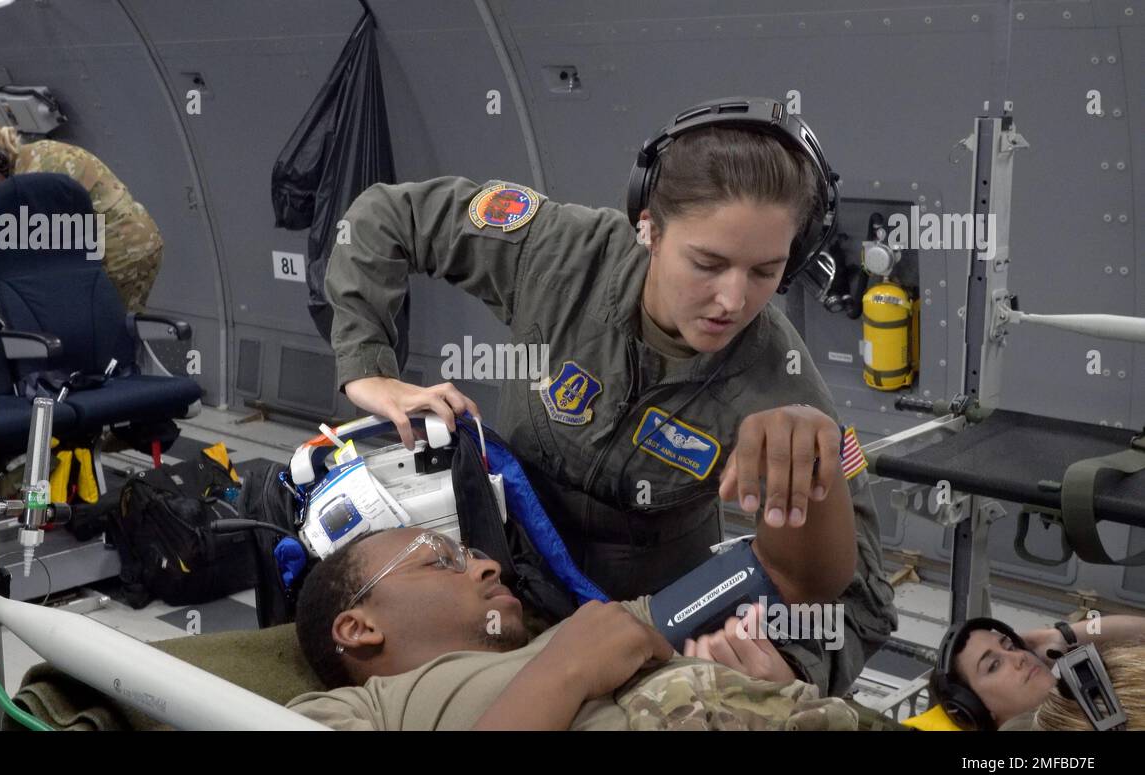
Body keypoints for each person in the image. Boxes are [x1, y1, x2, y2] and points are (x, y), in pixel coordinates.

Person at [321, 97, 896, 695]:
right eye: (707, 263)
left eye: (764, 272)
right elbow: (385, 217)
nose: (733, 300)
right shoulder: (560, 254)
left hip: (646, 632)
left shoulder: (783, 388)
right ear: (649, 227)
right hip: (497, 577)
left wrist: (792, 666)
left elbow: (863, 601)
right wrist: (368, 366)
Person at [286, 526, 897, 731]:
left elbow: (788, 572)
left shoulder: (586, 629)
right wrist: (564, 673)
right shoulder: (353, 710)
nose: (487, 563)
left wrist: (811, 451)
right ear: (357, 627)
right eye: (440, 559)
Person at [0, 121, 163, 312]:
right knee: (123, 324)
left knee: (109, 329)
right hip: (134, 238)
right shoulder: (35, 154)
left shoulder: (34, 178)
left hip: (120, 248)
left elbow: (48, 251)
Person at [933, 614, 1145, 730]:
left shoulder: (1080, 696)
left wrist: (1063, 636)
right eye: (993, 666)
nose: (1019, 657)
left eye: (1010, 646)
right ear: (975, 707)